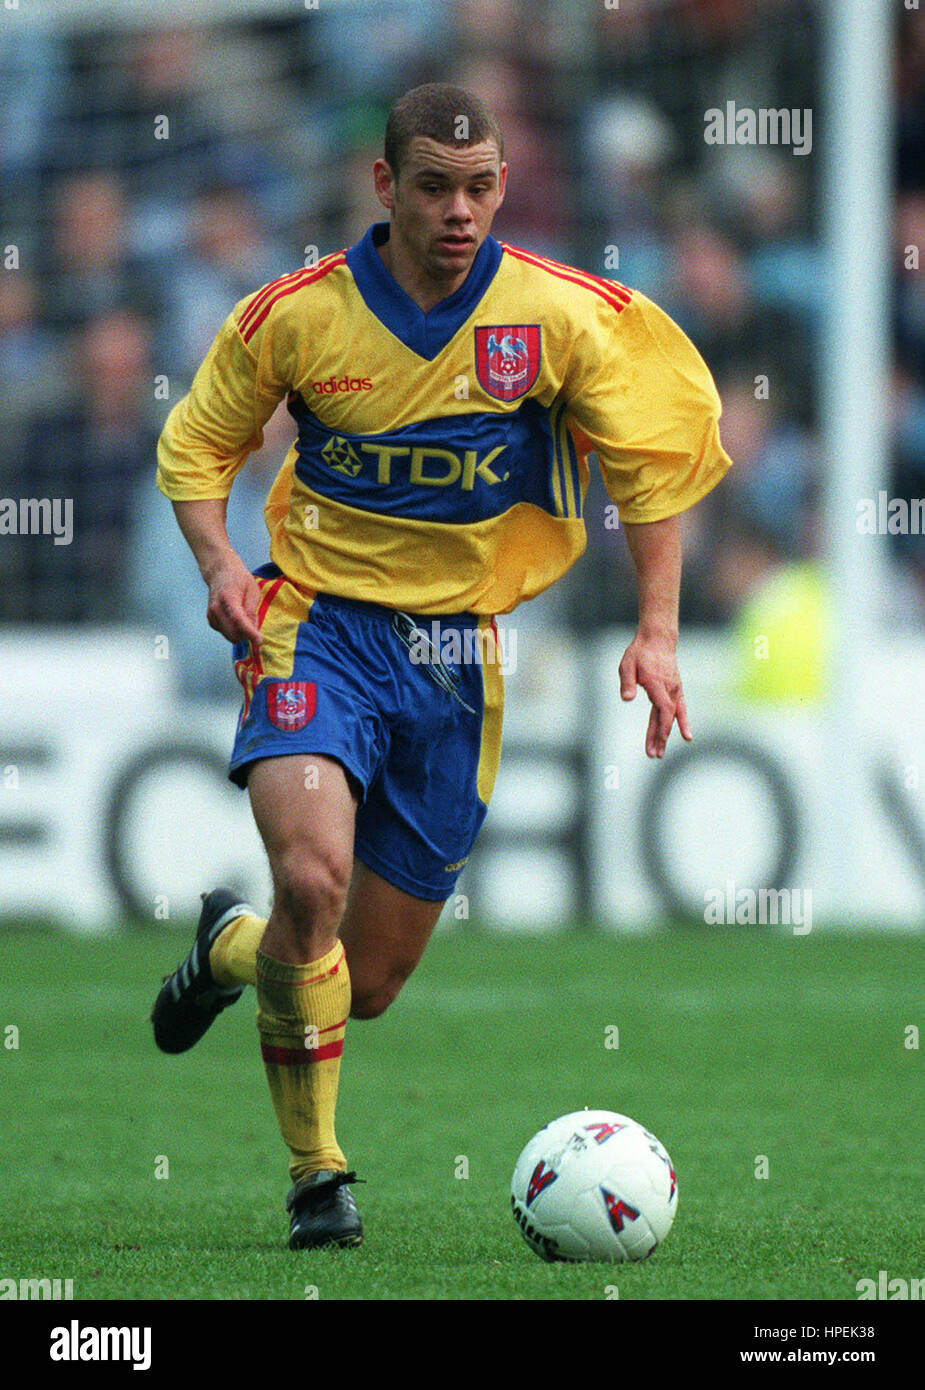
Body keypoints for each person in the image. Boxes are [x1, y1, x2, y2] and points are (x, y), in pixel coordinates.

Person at [150, 82, 732, 1250]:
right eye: (433, 186)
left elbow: (651, 463)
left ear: (503, 185)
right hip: (314, 623)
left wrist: (658, 628)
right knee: (310, 878)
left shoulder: (559, 317)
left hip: (455, 654)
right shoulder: (299, 316)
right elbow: (196, 446)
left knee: (359, 982)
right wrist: (221, 564)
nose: (459, 210)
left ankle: (226, 946)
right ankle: (319, 1175)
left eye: (479, 187)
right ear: (384, 186)